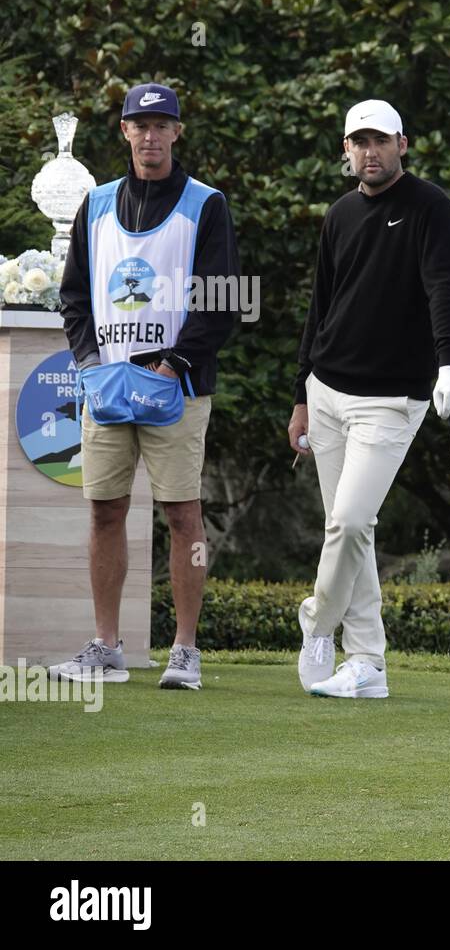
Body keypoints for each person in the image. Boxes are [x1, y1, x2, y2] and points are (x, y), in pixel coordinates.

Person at [51, 82, 239, 690]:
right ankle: (106, 646)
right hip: (106, 382)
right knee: (104, 512)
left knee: (184, 515)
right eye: (141, 125)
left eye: (163, 125)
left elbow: (223, 303)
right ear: (126, 131)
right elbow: (74, 297)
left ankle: (185, 650)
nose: (152, 136)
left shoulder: (206, 204)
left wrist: (176, 363)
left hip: (176, 387)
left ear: (177, 131)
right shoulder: (96, 203)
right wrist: (85, 362)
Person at [289, 99, 450, 699]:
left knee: (349, 521)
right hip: (327, 391)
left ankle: (317, 624)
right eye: (358, 143)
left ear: (403, 143)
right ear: (346, 151)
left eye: (380, 141)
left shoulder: (431, 207)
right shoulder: (340, 213)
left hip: (392, 399)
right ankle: (367, 663)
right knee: (352, 531)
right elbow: (320, 307)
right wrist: (300, 395)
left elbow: (446, 287)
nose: (370, 152)